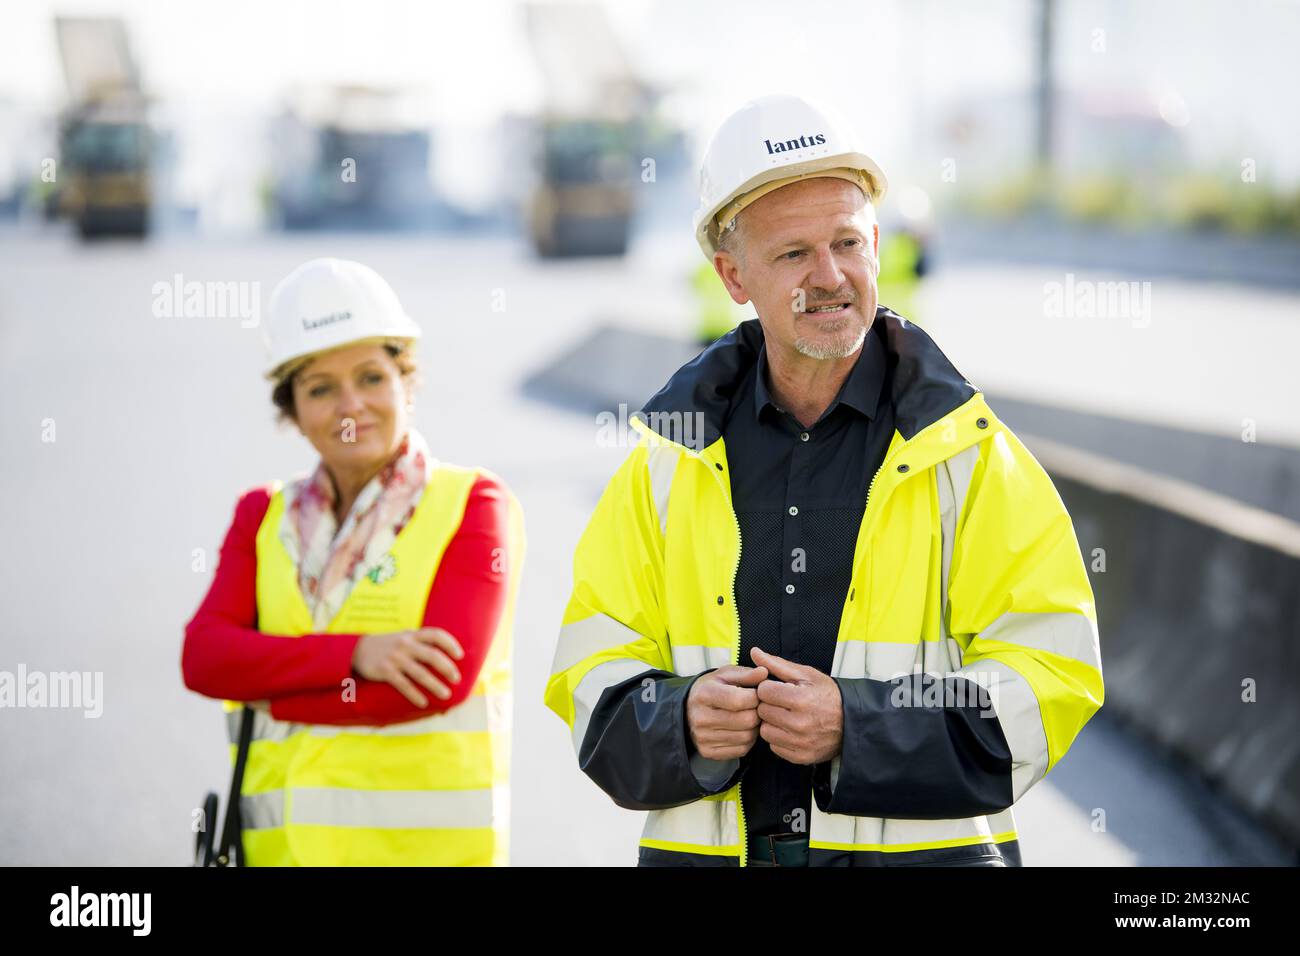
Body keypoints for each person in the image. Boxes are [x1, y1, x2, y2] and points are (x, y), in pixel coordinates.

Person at [544, 94, 1102, 867]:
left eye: (847, 241)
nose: (830, 275)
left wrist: (856, 727)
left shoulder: (970, 458)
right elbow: (588, 674)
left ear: (877, 245)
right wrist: (679, 721)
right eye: (793, 253)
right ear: (733, 277)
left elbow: (1054, 677)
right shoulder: (665, 465)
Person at [182, 257, 525, 866]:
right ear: (291, 409)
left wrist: (270, 691)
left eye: (371, 377)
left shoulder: (474, 505)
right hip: (278, 857)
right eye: (321, 388)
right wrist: (357, 655)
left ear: (406, 384)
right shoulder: (260, 515)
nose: (351, 406)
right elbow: (205, 658)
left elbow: (433, 684)